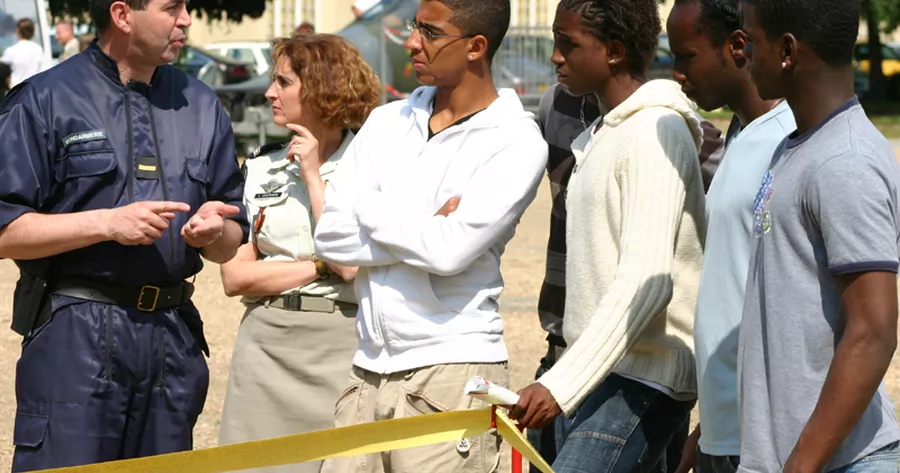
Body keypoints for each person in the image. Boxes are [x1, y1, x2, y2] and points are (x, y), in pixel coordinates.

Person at [0, 0, 249, 471]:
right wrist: (106, 224)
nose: (186, 19)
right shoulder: (45, 100)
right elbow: (4, 229)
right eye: (171, 7)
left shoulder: (201, 105)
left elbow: (232, 235)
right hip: (76, 338)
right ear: (122, 15)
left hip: (173, 339)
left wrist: (216, 233)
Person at [313, 0, 548, 471]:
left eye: (431, 32)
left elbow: (448, 252)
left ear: (476, 47)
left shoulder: (516, 141)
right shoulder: (386, 122)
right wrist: (425, 222)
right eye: (414, 27)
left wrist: (370, 207)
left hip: (451, 374)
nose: (412, 43)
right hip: (366, 371)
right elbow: (331, 237)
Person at [509, 0, 707, 472]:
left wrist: (562, 385)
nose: (555, 56)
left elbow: (647, 283)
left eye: (568, 44)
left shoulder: (653, 132)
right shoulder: (606, 133)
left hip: (644, 379)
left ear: (614, 51)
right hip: (597, 373)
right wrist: (568, 376)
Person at [737, 0, 900, 472]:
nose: (744, 53)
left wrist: (801, 464)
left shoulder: (844, 162)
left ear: (787, 51)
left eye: (752, 40)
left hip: (838, 463)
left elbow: (873, 332)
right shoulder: (798, 147)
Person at [217, 33, 382, 473]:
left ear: (322, 88)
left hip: (341, 348)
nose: (270, 93)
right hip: (265, 349)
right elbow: (235, 278)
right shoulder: (259, 167)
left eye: (284, 83)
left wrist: (312, 176)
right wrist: (320, 265)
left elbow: (351, 266)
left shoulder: (370, 165)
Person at [665, 1, 797, 473]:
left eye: (687, 56)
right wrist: (711, 427)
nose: (677, 73)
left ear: (737, 46)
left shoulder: (791, 139)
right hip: (727, 435)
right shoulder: (739, 136)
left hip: (771, 443)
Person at [1, 19, 44, 87]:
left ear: (18, 31)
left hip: (16, 89)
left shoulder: (11, 51)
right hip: (33, 88)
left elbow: (2, 71)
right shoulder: (39, 49)